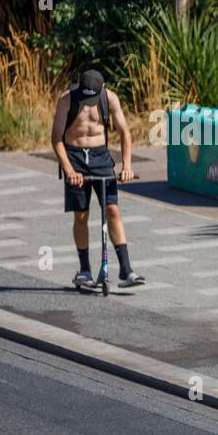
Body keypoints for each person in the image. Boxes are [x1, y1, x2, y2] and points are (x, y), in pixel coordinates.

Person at [50, 69, 144, 289]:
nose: (89, 102)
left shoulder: (109, 98)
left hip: (101, 157)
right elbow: (56, 139)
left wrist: (127, 166)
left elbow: (125, 134)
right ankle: (84, 270)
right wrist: (69, 170)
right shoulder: (66, 100)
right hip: (75, 158)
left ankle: (126, 270)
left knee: (112, 210)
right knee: (81, 215)